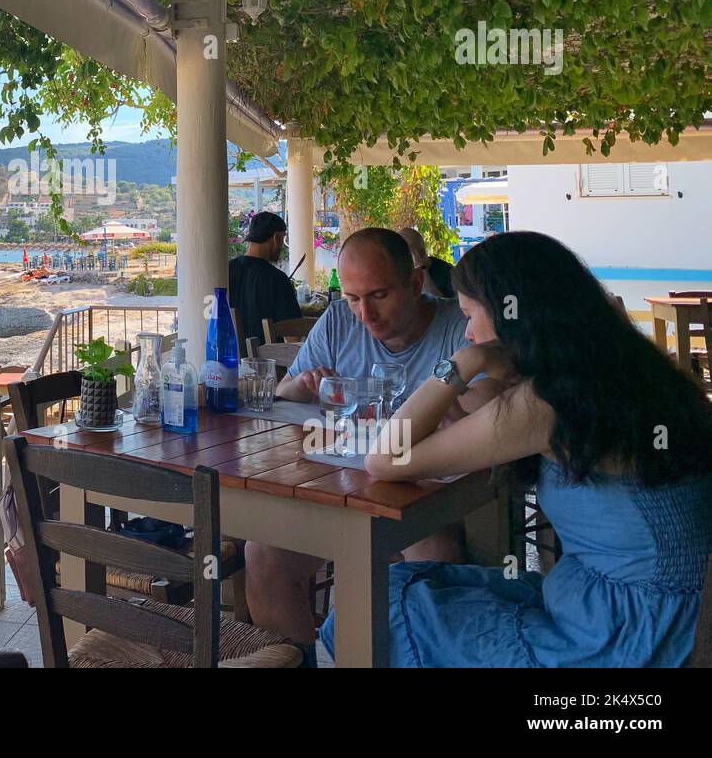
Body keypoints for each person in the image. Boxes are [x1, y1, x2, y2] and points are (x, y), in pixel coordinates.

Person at [319, 231, 712, 667]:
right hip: (662, 609)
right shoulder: (622, 369)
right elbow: (464, 422)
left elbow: (384, 459)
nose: (467, 332)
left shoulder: (545, 403)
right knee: (398, 583)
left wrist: (466, 363)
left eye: (470, 316)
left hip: (622, 634)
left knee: (376, 605)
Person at [246, 227, 503, 665]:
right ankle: (309, 662)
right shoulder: (340, 320)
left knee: (427, 559)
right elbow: (286, 391)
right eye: (352, 297)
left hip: (424, 499)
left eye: (379, 295)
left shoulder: (461, 329)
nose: (365, 313)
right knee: (263, 552)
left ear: (416, 283)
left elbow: (487, 413)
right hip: (342, 491)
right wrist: (301, 388)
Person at [227, 211, 301, 349]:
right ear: (275, 238)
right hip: (267, 365)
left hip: (229, 360)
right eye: (283, 239)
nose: (281, 247)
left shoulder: (226, 270)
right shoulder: (277, 279)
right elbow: (293, 337)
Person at [398, 226, 455, 299]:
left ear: (422, 252)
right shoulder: (400, 273)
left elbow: (436, 305)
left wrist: (421, 267)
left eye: (406, 251)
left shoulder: (447, 272)